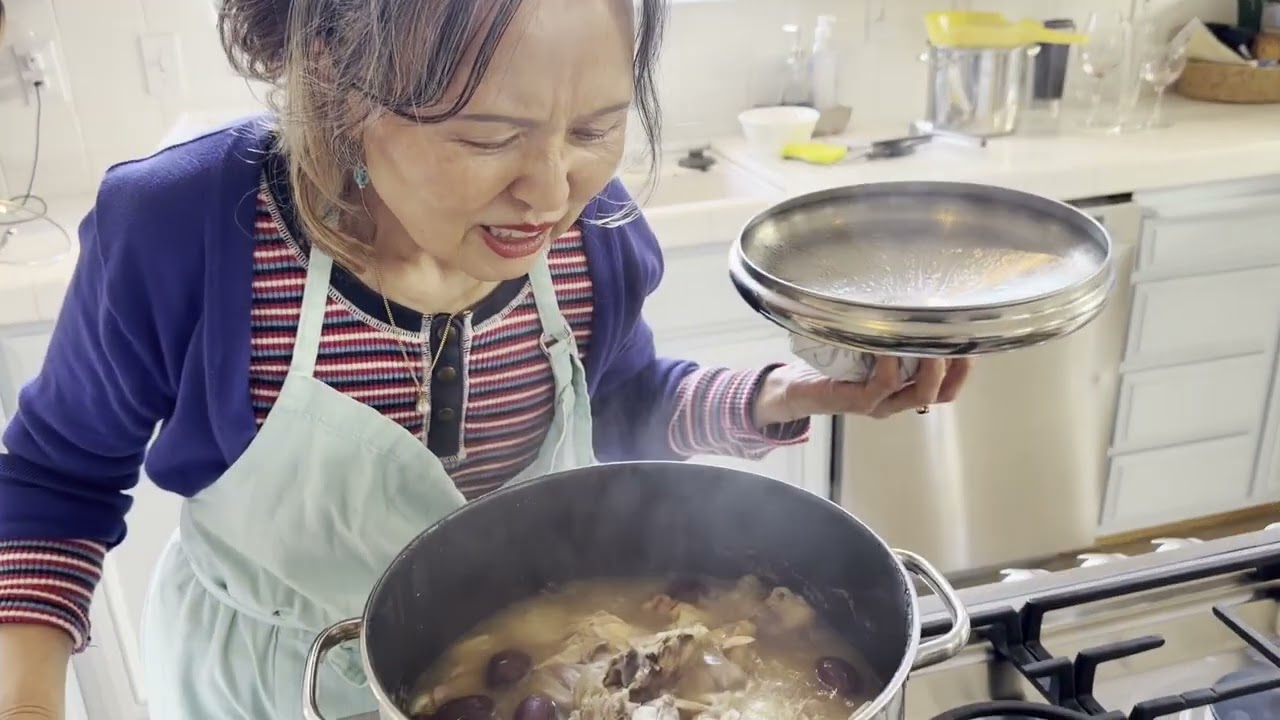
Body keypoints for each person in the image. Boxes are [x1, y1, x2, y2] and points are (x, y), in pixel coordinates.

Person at [0, 0, 971, 717]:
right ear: (337, 92)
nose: (550, 191)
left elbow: (625, 399)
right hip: (259, 686)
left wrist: (776, 394)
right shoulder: (186, 232)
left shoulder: (594, 238)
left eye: (593, 128)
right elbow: (52, 482)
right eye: (489, 137)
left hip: (527, 676)